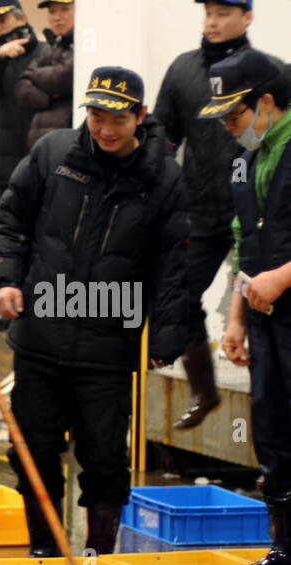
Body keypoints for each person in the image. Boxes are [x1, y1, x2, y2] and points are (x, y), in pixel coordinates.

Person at [0, 67, 190, 557]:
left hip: (108, 343)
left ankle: (99, 558)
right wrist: (7, 278)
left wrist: (167, 333)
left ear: (140, 116)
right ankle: (46, 549)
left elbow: (174, 264)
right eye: (97, 116)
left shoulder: (165, 178)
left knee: (103, 459)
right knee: (32, 452)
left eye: (117, 119)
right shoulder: (54, 153)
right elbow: (13, 218)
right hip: (40, 336)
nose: (105, 129)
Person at [155, 0, 285, 431]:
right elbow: (162, 136)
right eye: (207, 13)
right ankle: (203, 389)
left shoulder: (272, 72)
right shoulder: (183, 70)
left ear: (247, 17)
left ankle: (266, 405)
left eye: (223, 13)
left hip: (263, 215)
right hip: (202, 210)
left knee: (266, 305)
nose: (212, 22)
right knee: (178, 295)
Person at [205, 50, 291, 565]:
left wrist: (283, 276)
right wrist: (236, 317)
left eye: (235, 117)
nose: (232, 130)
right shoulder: (245, 158)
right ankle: (286, 549)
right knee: (274, 434)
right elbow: (243, 241)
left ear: (265, 102)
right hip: (263, 320)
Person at [0, 1, 45, 200]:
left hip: (41, 159)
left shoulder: (47, 53)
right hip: (8, 165)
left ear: (22, 18)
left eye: (2, 20)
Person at [16, 1, 76, 149]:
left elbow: (65, 76)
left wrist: (35, 75)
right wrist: (48, 97)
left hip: (66, 143)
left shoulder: (85, 47)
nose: (57, 17)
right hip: (40, 145)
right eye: (52, 12)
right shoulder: (50, 48)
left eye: (64, 9)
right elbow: (21, 88)